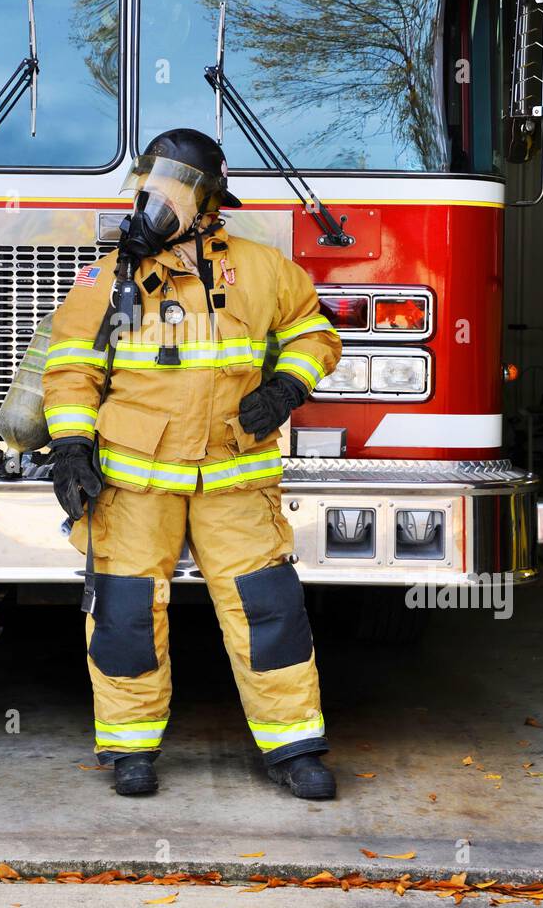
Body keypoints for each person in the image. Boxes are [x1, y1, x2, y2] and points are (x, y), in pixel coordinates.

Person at [43, 128, 342, 799]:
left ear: (208, 201)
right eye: (153, 185)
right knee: (123, 613)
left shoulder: (262, 269)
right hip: (132, 481)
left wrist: (287, 387)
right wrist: (69, 447)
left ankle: (294, 746)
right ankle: (130, 750)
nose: (159, 200)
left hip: (234, 476)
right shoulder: (107, 279)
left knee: (267, 610)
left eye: (175, 187)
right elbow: (70, 370)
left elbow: (315, 332)